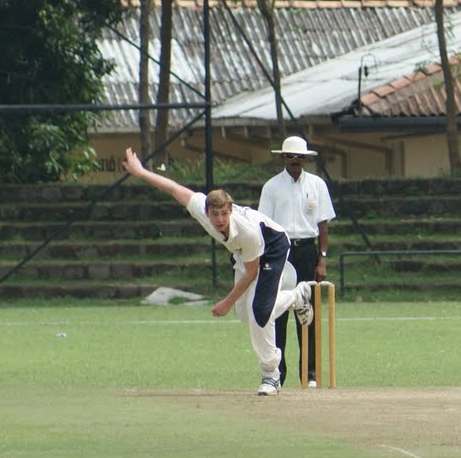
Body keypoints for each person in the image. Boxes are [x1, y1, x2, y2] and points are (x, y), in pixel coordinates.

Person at [122, 148, 314, 396]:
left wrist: (225, 301)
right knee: (246, 315)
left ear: (231, 210)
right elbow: (174, 189)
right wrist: (140, 172)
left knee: (259, 313)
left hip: (272, 247)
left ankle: (271, 375)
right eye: (215, 214)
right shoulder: (203, 210)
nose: (220, 219)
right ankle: (297, 297)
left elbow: (251, 272)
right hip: (244, 254)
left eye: (224, 213)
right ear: (208, 212)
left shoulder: (246, 231)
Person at [257, 135, 337, 388]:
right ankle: (276, 374)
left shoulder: (316, 185)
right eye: (290, 157)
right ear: (283, 158)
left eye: (299, 157)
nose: (294, 161)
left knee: (309, 314)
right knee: (277, 313)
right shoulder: (271, 187)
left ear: (305, 159)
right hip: (280, 251)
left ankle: (310, 374)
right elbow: (263, 226)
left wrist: (322, 259)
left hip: (307, 251)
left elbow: (323, 225)